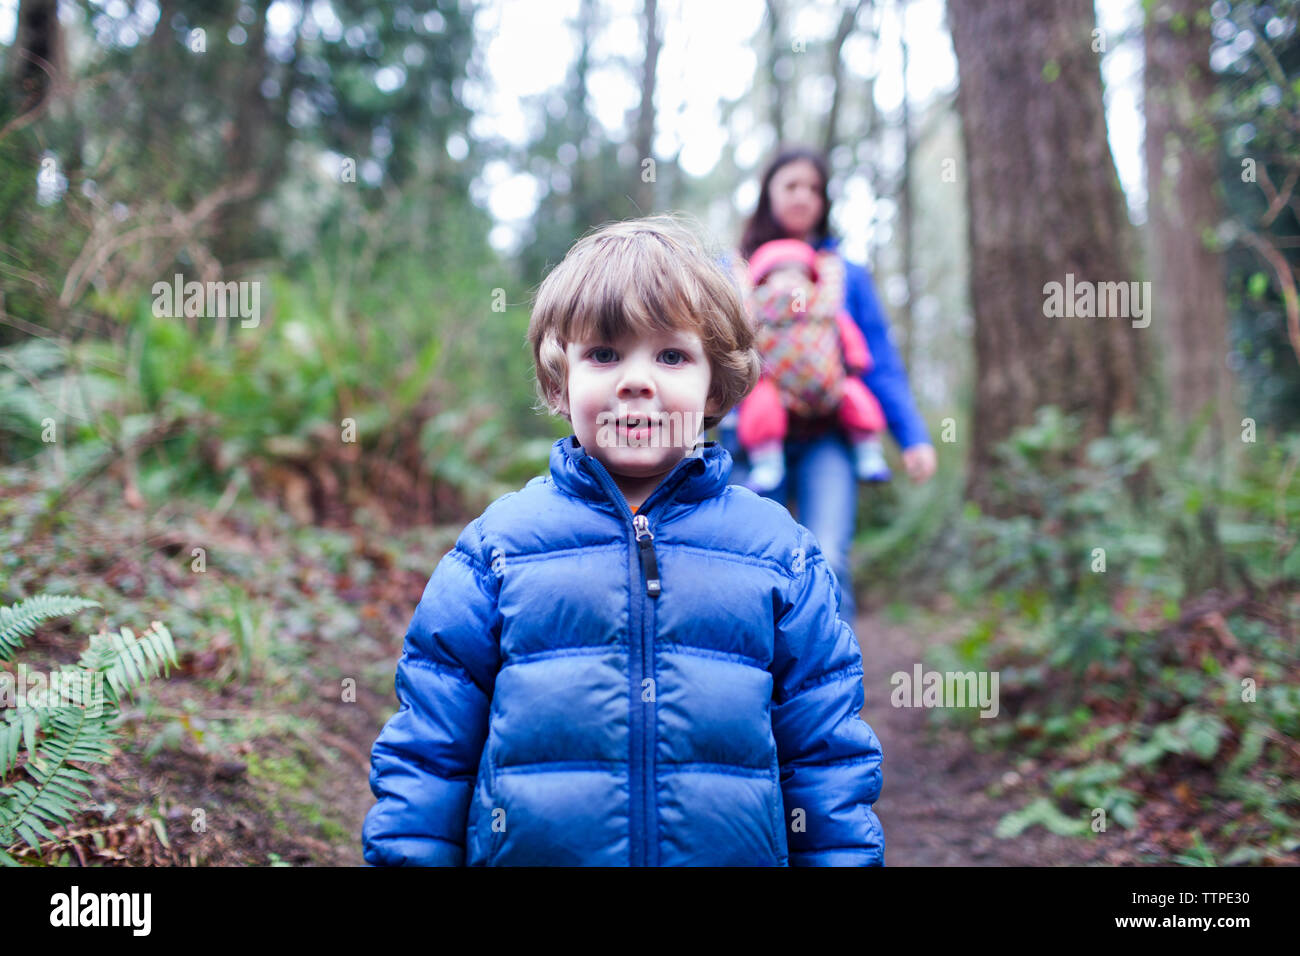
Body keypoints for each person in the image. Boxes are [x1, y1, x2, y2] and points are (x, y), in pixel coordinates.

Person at [362, 216, 884, 866]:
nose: (636, 380)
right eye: (604, 354)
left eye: (671, 355)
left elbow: (826, 756)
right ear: (560, 382)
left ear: (715, 385)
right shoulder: (496, 550)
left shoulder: (780, 554)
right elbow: (430, 746)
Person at [720, 146, 937, 625]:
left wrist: (913, 437)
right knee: (750, 563)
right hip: (749, 440)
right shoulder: (729, 271)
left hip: (829, 436)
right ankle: (760, 692)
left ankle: (836, 693)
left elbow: (877, 359)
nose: (804, 197)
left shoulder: (846, 276)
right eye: (791, 186)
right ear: (768, 193)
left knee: (829, 560)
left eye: (814, 189)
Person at [735, 237, 891, 492]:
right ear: (763, 280)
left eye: (799, 273)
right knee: (761, 407)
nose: (791, 280)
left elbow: (848, 335)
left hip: (830, 387)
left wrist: (856, 359)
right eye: (781, 273)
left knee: (856, 397)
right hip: (778, 388)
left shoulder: (826, 311)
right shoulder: (756, 317)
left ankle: (869, 453)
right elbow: (743, 348)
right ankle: (766, 463)